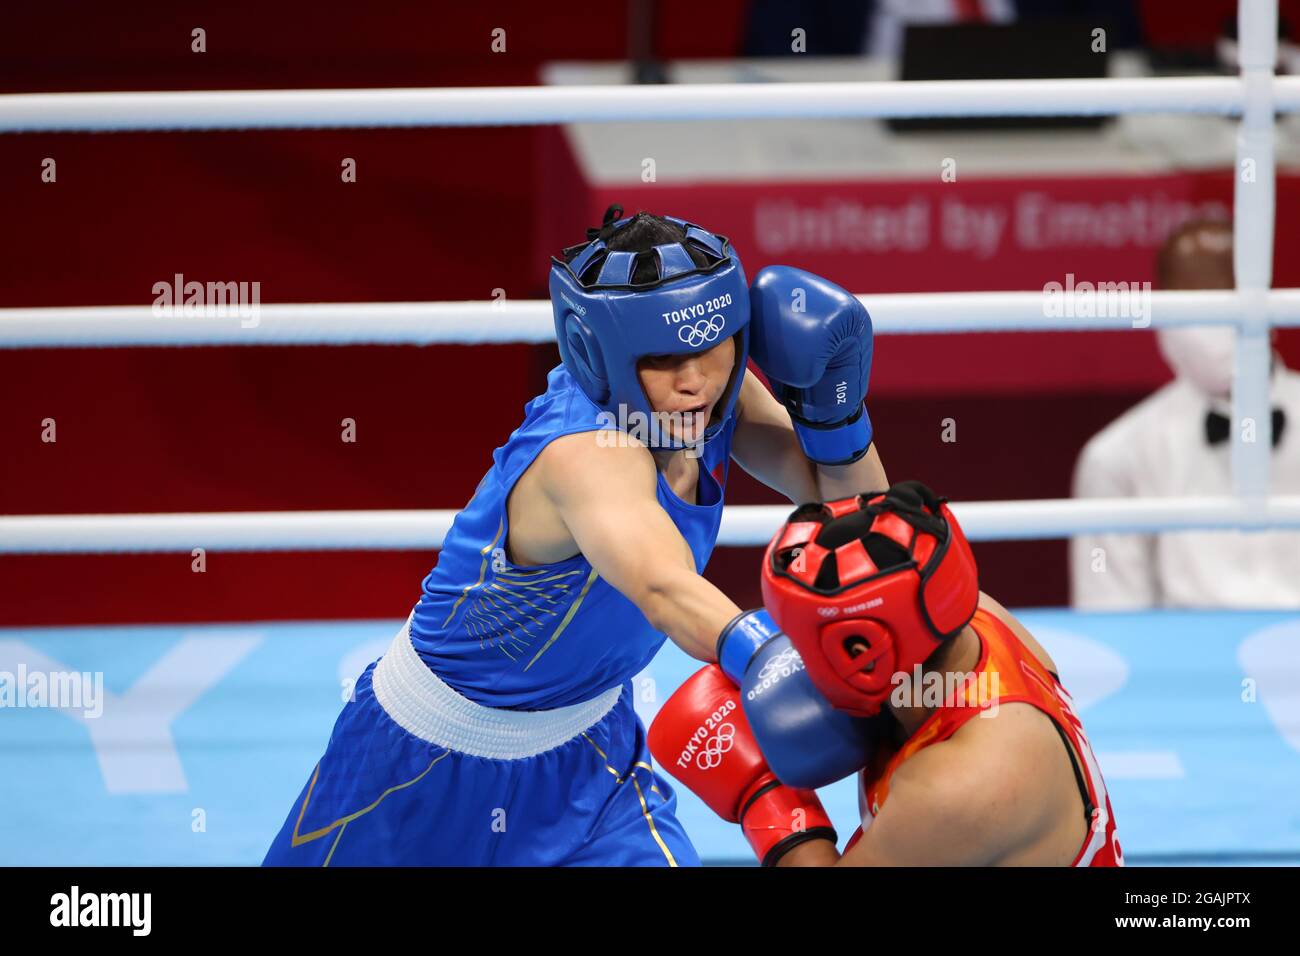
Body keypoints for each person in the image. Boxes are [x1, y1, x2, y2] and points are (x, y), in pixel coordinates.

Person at [263, 204, 887, 865]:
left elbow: (857, 516)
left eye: (712, 345)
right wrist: (763, 657)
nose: (694, 381)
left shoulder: (706, 397)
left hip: (592, 760)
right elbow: (662, 584)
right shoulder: (586, 451)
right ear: (604, 354)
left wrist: (837, 414)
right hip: (419, 770)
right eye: (667, 358)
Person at [649, 481, 1122, 866]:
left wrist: (766, 800)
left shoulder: (959, 785)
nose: (790, 658)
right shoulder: (962, 618)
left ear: (866, 656)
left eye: (805, 643)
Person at [1071, 219, 1300, 608]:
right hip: (1183, 663)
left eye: (1223, 293)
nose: (1204, 322)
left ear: (1264, 298)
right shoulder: (1115, 455)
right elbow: (1111, 620)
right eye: (1187, 300)